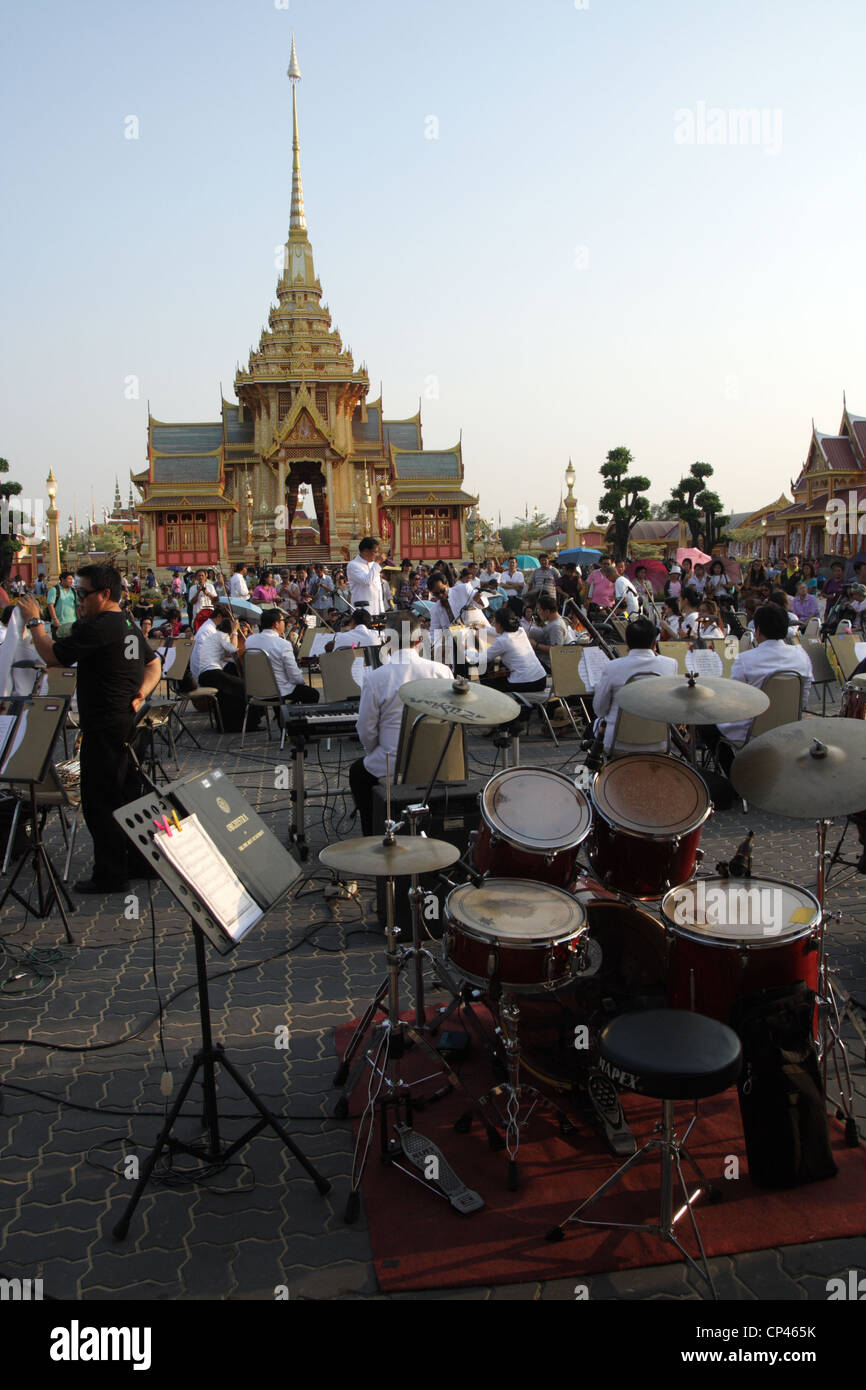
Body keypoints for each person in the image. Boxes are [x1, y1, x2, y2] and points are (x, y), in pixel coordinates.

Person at [19, 566, 163, 894]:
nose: (78, 600)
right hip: (130, 724)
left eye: (83, 594)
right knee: (129, 794)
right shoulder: (127, 622)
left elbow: (52, 655)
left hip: (105, 726)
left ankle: (111, 874)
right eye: (76, 594)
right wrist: (142, 692)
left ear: (104, 595)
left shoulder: (97, 627)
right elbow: (154, 664)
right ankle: (141, 862)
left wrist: (34, 621)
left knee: (101, 801)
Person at [350, 616, 453, 834]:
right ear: (418, 641)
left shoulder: (376, 677)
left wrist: (375, 753)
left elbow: (366, 729)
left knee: (358, 772)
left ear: (387, 640)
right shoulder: (443, 672)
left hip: (392, 765)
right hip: (436, 764)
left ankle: (372, 836)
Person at [703, 604, 813, 769]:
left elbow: (732, 704)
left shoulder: (746, 660)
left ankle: (734, 775)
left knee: (704, 724)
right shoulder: (801, 655)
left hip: (750, 734)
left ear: (758, 630)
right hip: (789, 728)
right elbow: (803, 700)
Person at [590, 616, 678, 754]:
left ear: (627, 643)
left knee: (594, 726)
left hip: (618, 742)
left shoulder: (612, 667)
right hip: (659, 742)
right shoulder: (670, 664)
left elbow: (600, 710)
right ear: (654, 642)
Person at [243, 609, 319, 707]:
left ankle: (281, 718)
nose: (285, 623)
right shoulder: (283, 644)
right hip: (278, 691)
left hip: (255, 690)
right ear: (276, 624)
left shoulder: (250, 641)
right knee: (312, 694)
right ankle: (300, 720)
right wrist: (302, 681)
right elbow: (294, 675)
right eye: (283, 621)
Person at [477, 605, 546, 691]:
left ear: (500, 624)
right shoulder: (520, 631)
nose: (494, 625)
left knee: (486, 684)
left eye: (495, 623)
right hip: (541, 678)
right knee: (497, 678)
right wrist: (481, 627)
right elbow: (498, 632)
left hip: (529, 682)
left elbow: (481, 659)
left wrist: (466, 651)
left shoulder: (503, 640)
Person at [528, 593, 572, 671]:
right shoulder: (552, 621)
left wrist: (536, 645)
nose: (538, 612)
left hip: (547, 664)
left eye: (539, 610)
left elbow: (557, 649)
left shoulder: (556, 627)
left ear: (547, 611)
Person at [347, 537, 384, 615]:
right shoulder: (353, 565)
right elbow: (367, 582)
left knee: (405, 624)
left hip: (377, 609)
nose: (377, 555)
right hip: (363, 610)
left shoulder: (373, 564)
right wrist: (377, 563)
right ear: (366, 551)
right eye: (375, 552)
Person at [45, 571, 79, 635]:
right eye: (69, 579)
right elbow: (50, 605)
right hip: (59, 623)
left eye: (72, 579)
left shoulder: (73, 591)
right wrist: (55, 619)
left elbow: (77, 606)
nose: (71, 581)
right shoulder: (54, 590)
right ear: (62, 579)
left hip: (72, 623)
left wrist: (79, 619)